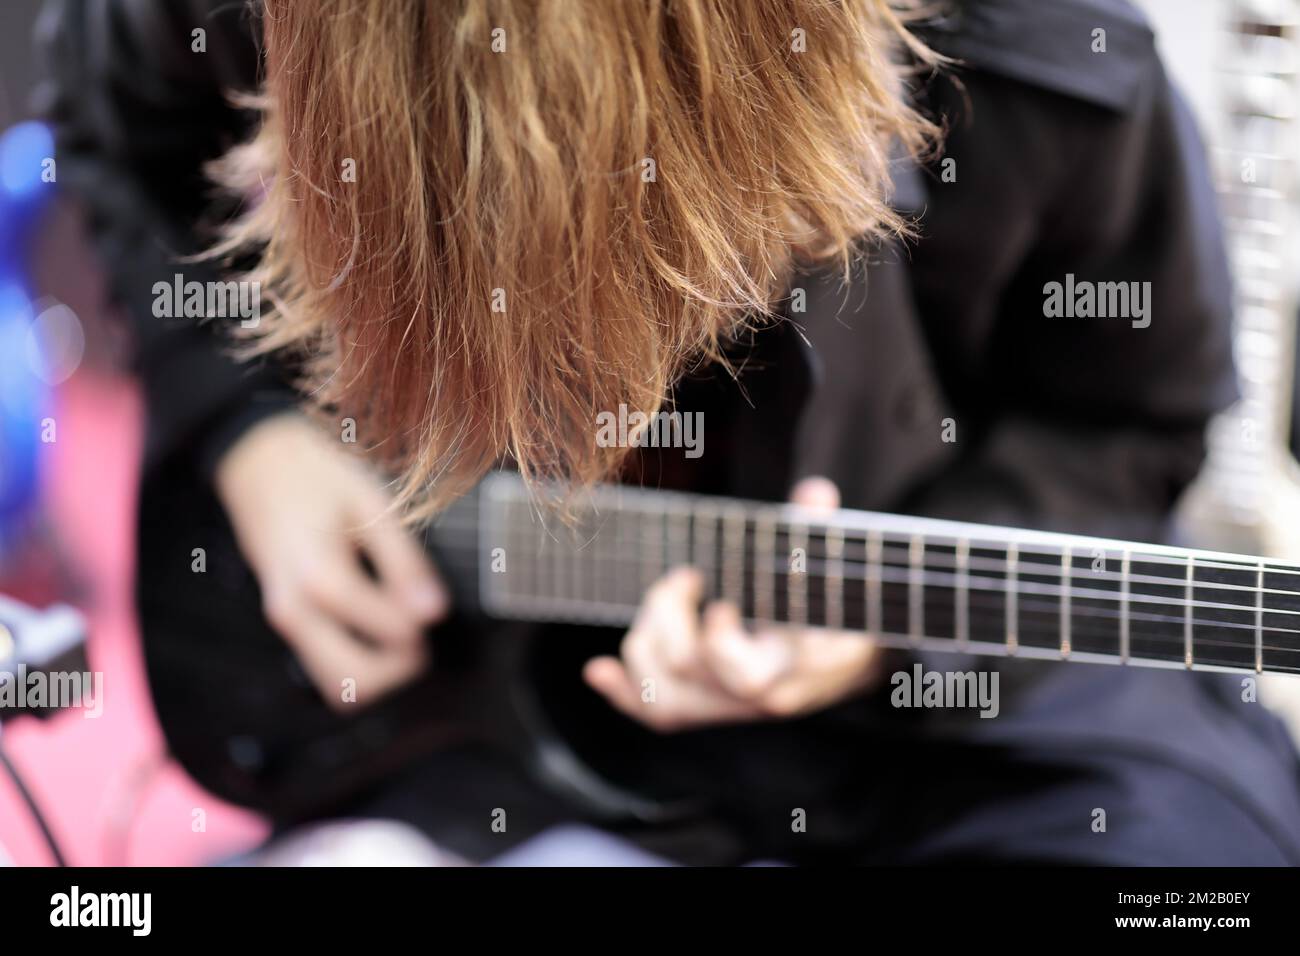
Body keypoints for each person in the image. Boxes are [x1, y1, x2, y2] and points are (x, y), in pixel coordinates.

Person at [40, 0, 1300, 864]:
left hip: (934, 704)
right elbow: (115, 136)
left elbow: (1129, 428)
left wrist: (877, 642)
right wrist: (246, 425)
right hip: (456, 703)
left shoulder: (1055, 55)